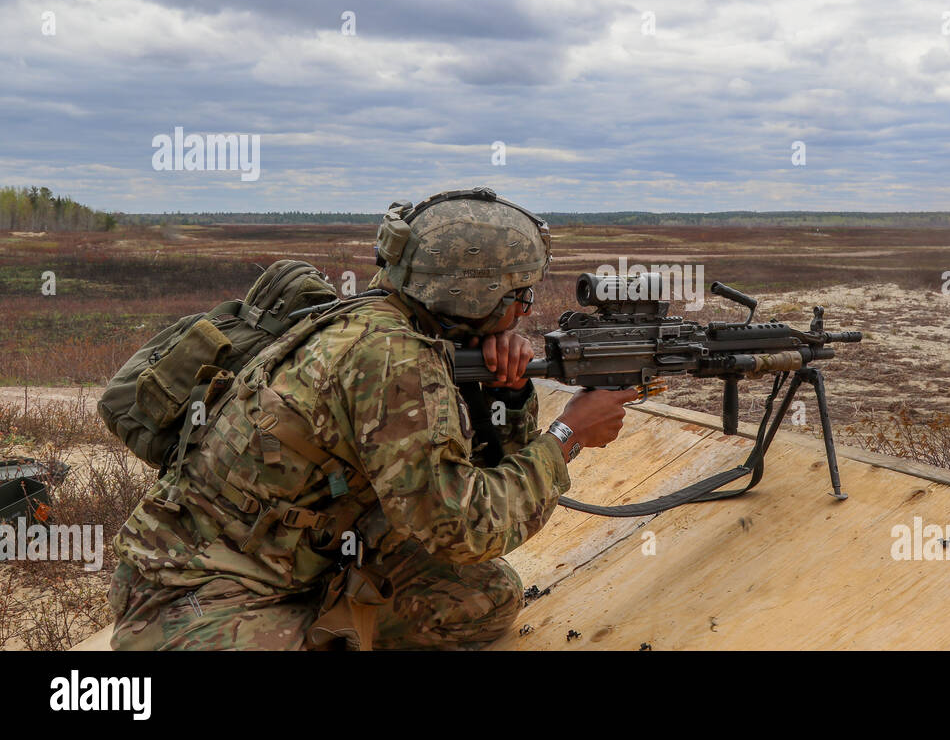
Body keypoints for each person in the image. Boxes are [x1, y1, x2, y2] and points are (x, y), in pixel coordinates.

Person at [108, 187, 639, 650]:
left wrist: (510, 393)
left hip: (295, 563)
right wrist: (567, 437)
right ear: (474, 295)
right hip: (191, 593)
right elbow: (464, 527)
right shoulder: (391, 357)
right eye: (518, 297)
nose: (522, 311)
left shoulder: (388, 325)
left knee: (482, 598)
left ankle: (315, 624)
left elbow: (452, 473)